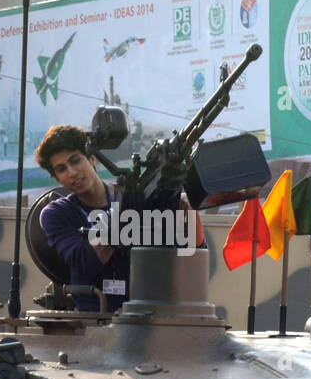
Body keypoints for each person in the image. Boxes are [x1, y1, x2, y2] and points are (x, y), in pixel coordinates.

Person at [34, 125, 199, 313]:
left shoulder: (138, 196)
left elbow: (191, 253)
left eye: (76, 161)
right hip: (95, 321)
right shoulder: (56, 213)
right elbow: (85, 261)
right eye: (62, 169)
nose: (72, 172)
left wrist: (184, 208)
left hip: (151, 314)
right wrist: (122, 215)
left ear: (92, 159)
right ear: (57, 178)